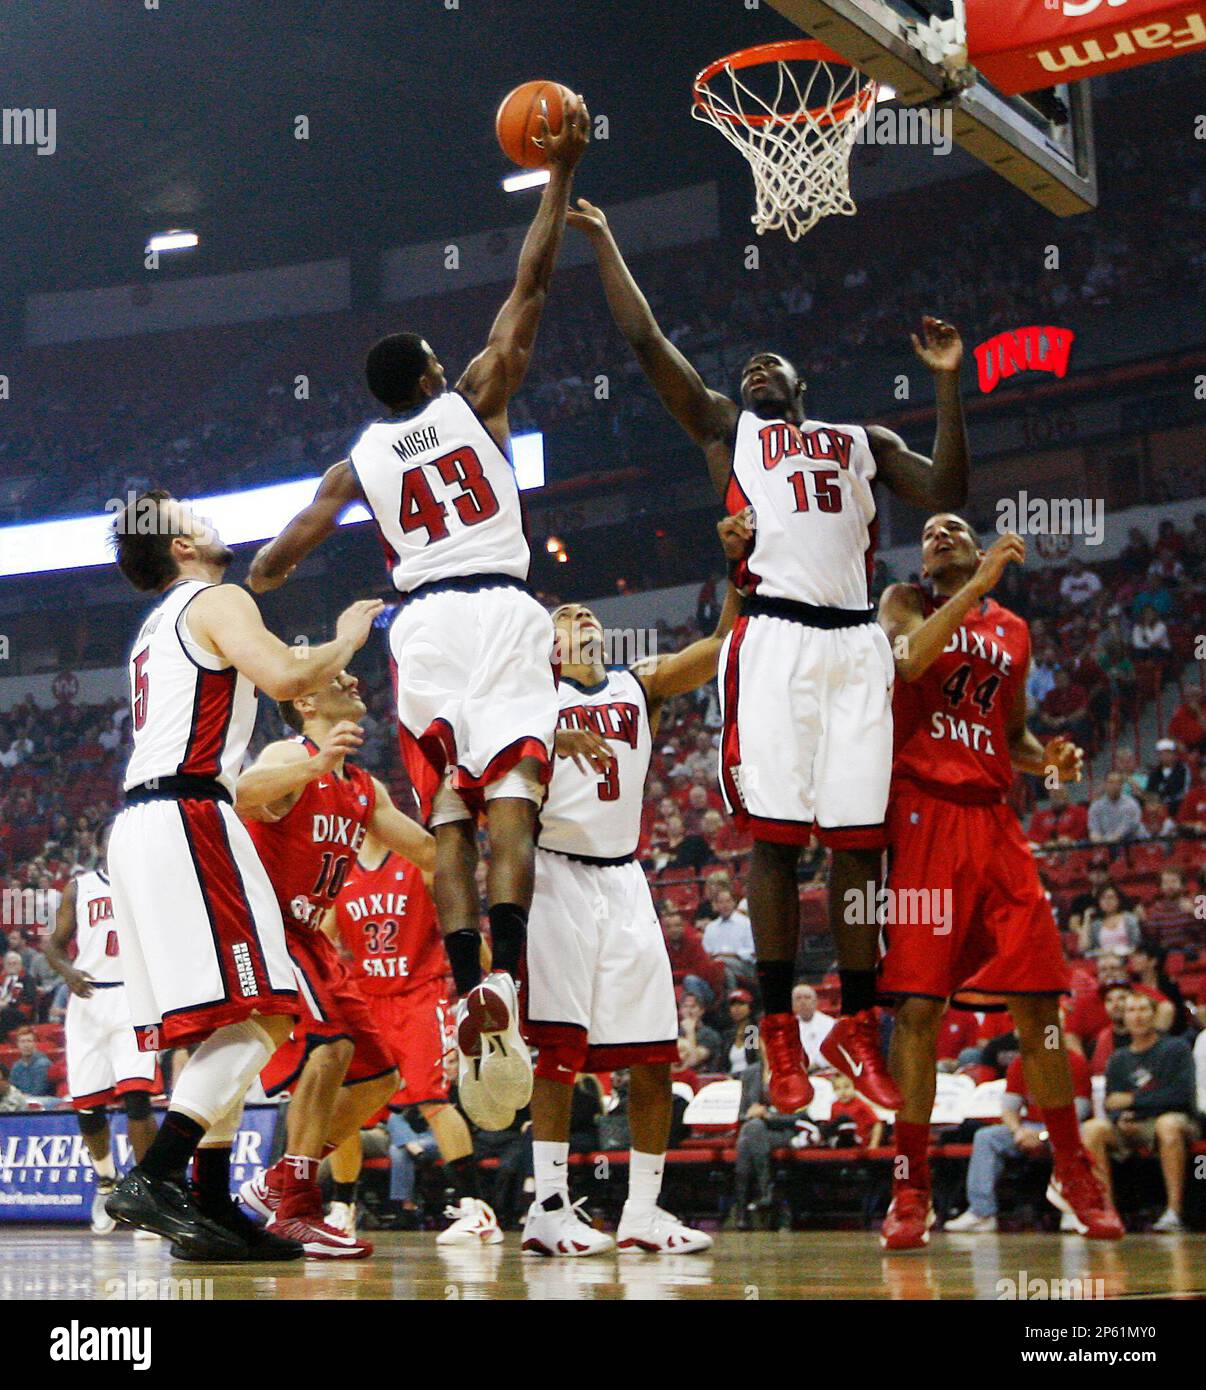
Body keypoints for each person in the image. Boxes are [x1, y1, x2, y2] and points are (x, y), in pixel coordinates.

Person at [570, 196, 970, 1115]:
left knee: (863, 849)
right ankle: (781, 1034)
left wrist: (946, 381)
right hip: (777, 637)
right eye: (745, 364)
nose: (754, 368)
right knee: (782, 845)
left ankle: (855, 1024)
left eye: (771, 360)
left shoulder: (859, 441)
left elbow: (947, 486)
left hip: (858, 641)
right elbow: (647, 345)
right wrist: (604, 242)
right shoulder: (729, 433)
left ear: (801, 380)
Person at [246, 102, 592, 1135]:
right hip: (503, 609)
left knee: (445, 813)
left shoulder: (355, 462)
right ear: (435, 378)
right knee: (515, 798)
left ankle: (463, 979)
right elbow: (529, 284)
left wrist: (261, 574)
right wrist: (558, 177)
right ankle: (511, 980)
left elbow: (274, 560)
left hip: (425, 625)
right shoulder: (479, 394)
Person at [104, 489, 381, 1261]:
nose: (203, 517)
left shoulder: (155, 625)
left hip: (147, 821)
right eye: (188, 513)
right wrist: (346, 639)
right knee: (269, 1010)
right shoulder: (213, 597)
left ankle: (212, 1202)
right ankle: (156, 1175)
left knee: (218, 1025)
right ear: (180, 547)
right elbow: (289, 677)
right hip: (190, 812)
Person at [876, 515, 1121, 1249]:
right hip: (923, 815)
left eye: (954, 527)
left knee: (1039, 998)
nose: (938, 534)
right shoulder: (904, 601)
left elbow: (1010, 735)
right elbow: (910, 662)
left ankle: (1074, 1171)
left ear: (980, 549)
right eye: (927, 532)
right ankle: (910, 1185)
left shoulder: (1013, 627)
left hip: (994, 819)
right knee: (917, 1008)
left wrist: (1049, 760)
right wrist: (978, 587)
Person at [522, 583, 738, 1257]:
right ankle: (548, 1207)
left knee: (653, 1054)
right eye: (567, 616)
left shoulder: (637, 685)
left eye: (586, 609)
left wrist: (739, 572)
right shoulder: (529, 697)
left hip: (625, 878)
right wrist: (555, 731)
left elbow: (716, 649)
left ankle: (642, 1212)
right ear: (547, 646)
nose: (583, 614)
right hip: (555, 871)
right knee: (559, 1048)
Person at [235, 670, 433, 1257]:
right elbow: (245, 794)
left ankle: (279, 1182)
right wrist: (314, 765)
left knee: (379, 1079)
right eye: (336, 679)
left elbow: (425, 852)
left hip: (313, 940)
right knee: (333, 1045)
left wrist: (473, 805)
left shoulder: (366, 786)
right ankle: (296, 1205)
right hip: (268, 928)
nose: (354, 680)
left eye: (352, 676)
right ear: (304, 701)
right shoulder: (288, 753)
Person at [328, 831, 503, 1248]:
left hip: (419, 997)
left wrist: (497, 980)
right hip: (366, 1001)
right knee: (346, 1108)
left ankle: (475, 1207)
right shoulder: (340, 871)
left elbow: (462, 924)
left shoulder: (418, 859)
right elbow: (320, 940)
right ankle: (340, 1211)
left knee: (432, 1100)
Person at [43, 827, 161, 1235]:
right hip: (89, 1000)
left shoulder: (151, 885)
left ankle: (147, 1196)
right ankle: (107, 1180)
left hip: (136, 1000)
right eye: (110, 838)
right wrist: (68, 973)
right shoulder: (80, 887)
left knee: (138, 1099)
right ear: (98, 846)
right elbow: (52, 945)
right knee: (88, 1106)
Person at [1081, 993, 1200, 1232]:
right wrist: (1121, 1118)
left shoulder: (1176, 1048)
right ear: (1123, 1018)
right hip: (1133, 1123)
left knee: (1167, 1125)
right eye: (1132, 1011)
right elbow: (1111, 1103)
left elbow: (1179, 1096)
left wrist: (1134, 1101)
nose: (1138, 1016)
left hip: (1175, 1120)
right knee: (1092, 1129)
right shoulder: (1119, 1058)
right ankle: (1106, 1212)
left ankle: (1174, 1211)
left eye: (1143, 1010)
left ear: (1154, 1015)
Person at [944, 1047, 1093, 1233]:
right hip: (1028, 1127)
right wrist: (1018, 1131)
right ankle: (981, 1213)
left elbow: (1078, 1112)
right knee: (986, 1137)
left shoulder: (1075, 1063)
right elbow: (1008, 1108)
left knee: (1072, 1136)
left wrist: (1043, 1135)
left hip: (1063, 1127)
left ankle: (1073, 1208)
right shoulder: (1020, 1063)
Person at [1088, 773, 1143, 844]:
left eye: (1117, 783)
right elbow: (1093, 829)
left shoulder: (1131, 804)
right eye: (1111, 782)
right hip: (1103, 842)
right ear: (1105, 785)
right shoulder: (1096, 806)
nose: (1114, 786)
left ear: (1122, 786)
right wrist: (1097, 839)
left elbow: (1125, 829)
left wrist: (1108, 841)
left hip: (1126, 842)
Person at [792, 983, 835, 1066]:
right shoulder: (789, 1029)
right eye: (798, 998)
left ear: (816, 1001)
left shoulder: (830, 1024)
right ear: (792, 1004)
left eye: (807, 997)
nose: (803, 1002)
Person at [1147, 739, 1189, 814]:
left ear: (1174, 754)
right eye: (1161, 753)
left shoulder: (1183, 769)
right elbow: (1151, 791)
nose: (1165, 756)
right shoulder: (1154, 772)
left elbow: (1185, 790)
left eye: (1168, 753)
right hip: (1158, 807)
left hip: (1177, 805)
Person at [8, 1028, 52, 1098]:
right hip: (21, 1101)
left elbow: (38, 1092)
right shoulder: (16, 1066)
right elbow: (12, 1089)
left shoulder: (43, 1064)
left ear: (35, 1043)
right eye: (22, 1042)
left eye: (29, 1041)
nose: (26, 1045)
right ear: (18, 1044)